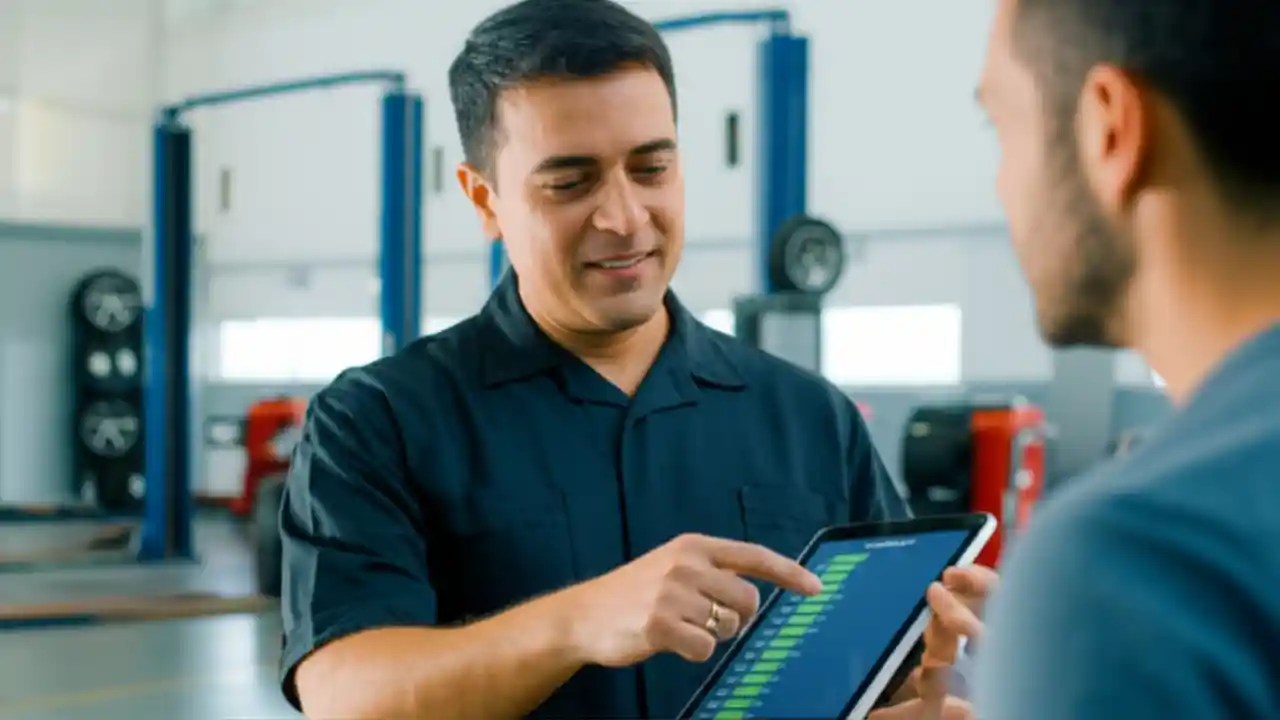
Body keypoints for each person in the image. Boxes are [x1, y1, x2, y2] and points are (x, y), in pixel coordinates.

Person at [274, 1, 976, 718]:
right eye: (570, 183)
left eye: (651, 168)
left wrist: (932, 695)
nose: (624, 217)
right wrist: (578, 622)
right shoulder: (379, 421)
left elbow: (888, 668)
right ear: (484, 199)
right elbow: (345, 692)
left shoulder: (809, 418)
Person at [940, 0, 1280, 718]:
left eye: (1000, 126)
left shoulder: (1131, 566)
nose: (1003, 185)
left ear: (1110, 128)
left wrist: (1069, 646)